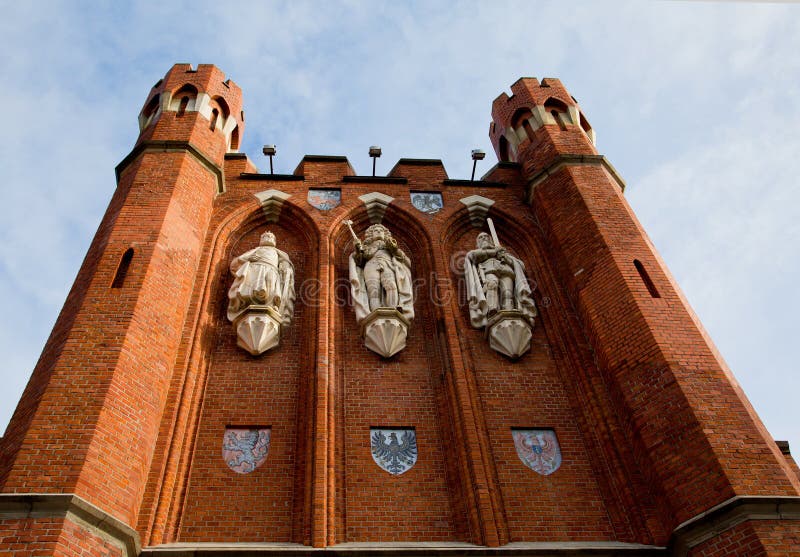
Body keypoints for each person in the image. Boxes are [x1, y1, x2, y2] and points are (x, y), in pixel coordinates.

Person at [464, 232, 536, 329]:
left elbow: (520, 266)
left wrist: (505, 257)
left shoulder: (501, 252)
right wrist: (493, 252)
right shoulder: (478, 252)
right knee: (492, 285)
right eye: (481, 237)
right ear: (478, 242)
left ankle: (509, 312)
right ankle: (492, 312)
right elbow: (471, 256)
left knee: (507, 293)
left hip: (506, 271)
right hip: (489, 270)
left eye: (486, 236)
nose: (484, 238)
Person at [348, 224, 414, 322]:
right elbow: (359, 261)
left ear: (385, 234)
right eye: (376, 230)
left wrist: (395, 249)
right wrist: (358, 249)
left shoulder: (389, 245)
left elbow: (404, 260)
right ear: (371, 234)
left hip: (388, 265)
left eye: (381, 230)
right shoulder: (366, 247)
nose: (379, 231)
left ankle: (393, 312)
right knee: (373, 291)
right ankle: (375, 316)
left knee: (391, 286)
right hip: (371, 266)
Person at [227, 231, 295, 323]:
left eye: (271, 237)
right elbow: (239, 260)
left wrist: (286, 267)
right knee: (255, 287)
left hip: (272, 270)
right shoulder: (256, 250)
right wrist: (249, 258)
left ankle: (270, 304)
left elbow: (285, 262)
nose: (268, 238)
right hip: (257, 269)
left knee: (271, 286)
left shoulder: (278, 252)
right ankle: (252, 303)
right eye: (265, 237)